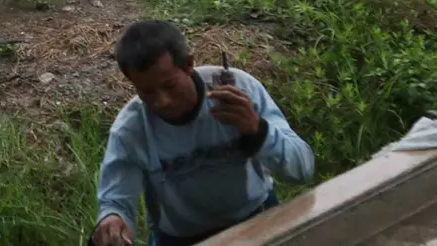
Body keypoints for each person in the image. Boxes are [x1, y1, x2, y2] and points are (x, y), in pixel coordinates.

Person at [90, 20, 315, 246]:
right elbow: (117, 202)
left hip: (255, 219)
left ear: (188, 64)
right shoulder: (131, 130)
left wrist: (258, 130)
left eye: (169, 86)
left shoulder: (238, 92)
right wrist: (113, 222)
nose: (161, 101)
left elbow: (302, 169)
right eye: (146, 92)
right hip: (181, 238)